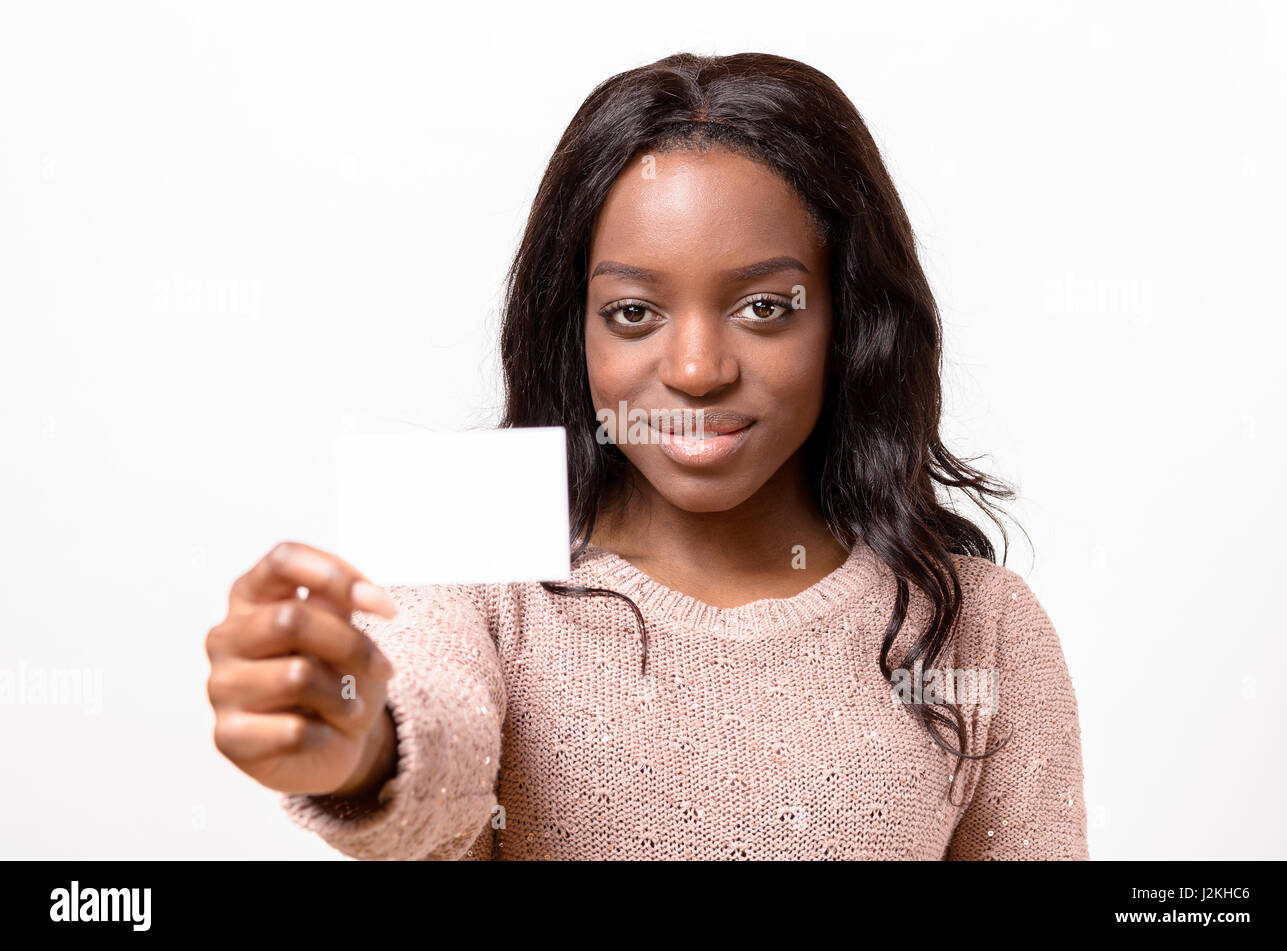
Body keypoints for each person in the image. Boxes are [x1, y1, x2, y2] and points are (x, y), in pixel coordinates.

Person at [204, 52, 1088, 860]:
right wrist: (358, 745)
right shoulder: (477, 543)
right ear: (573, 328)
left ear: (848, 320)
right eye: (633, 313)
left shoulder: (980, 623)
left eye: (765, 308)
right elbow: (434, 741)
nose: (697, 370)